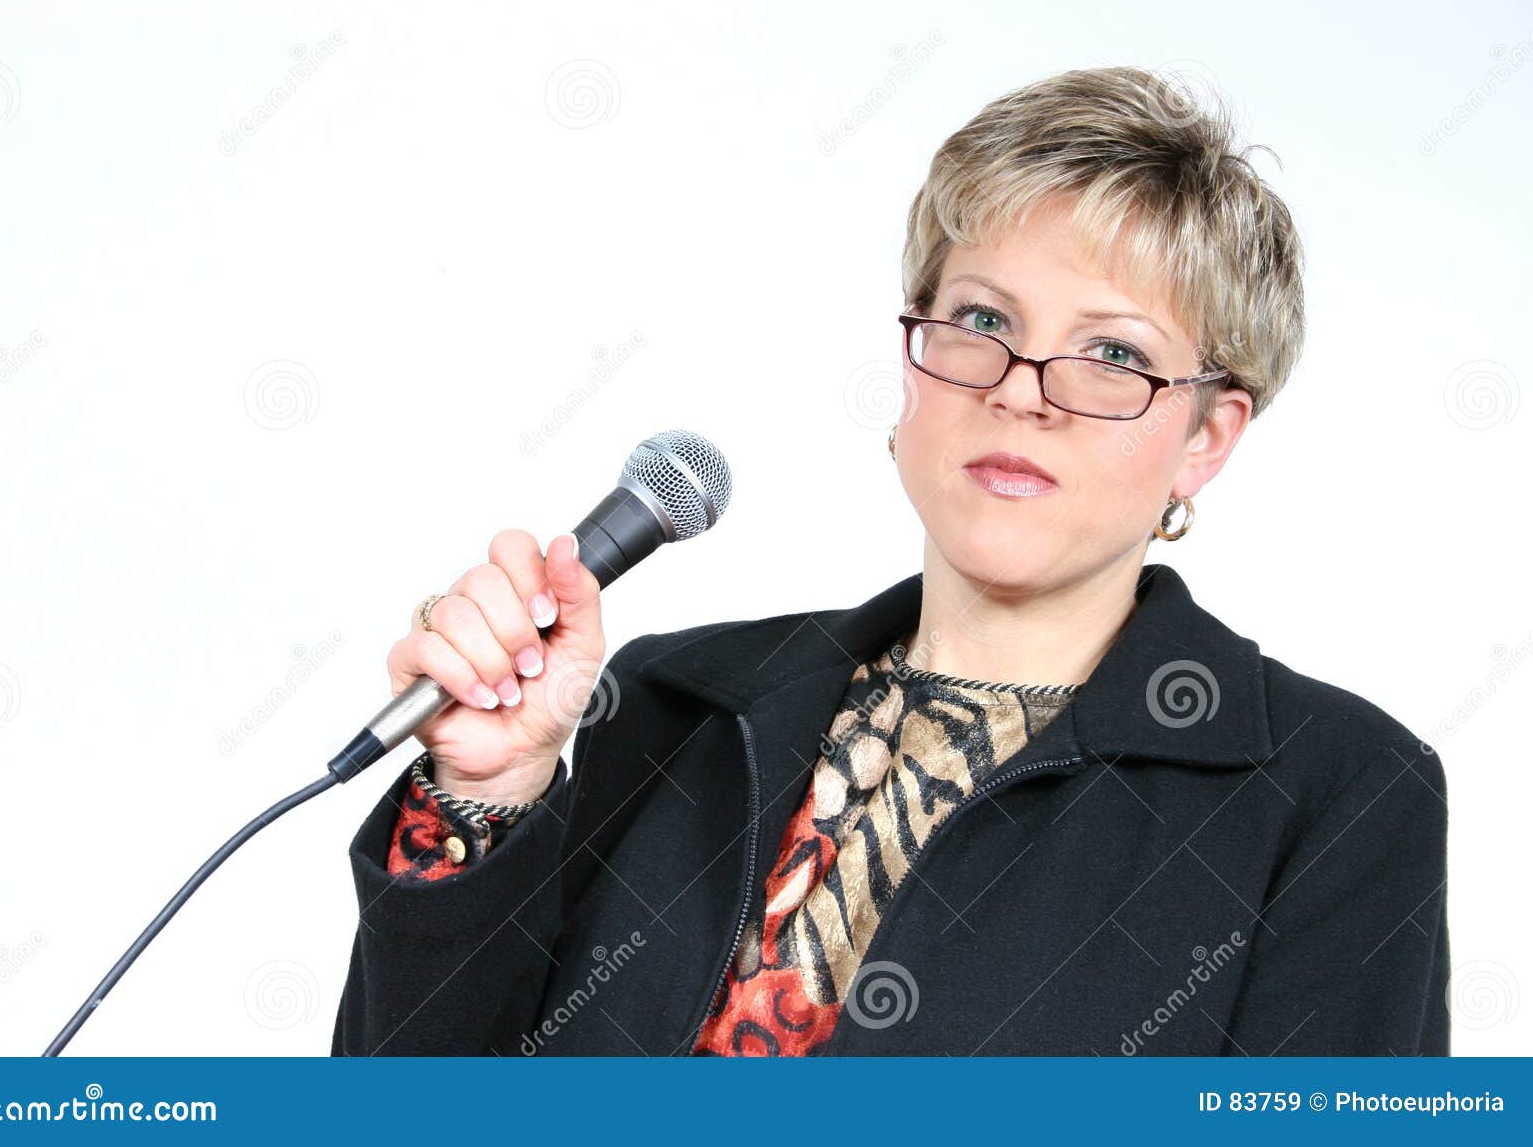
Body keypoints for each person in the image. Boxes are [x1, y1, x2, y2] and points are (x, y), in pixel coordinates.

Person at [331, 66, 1449, 1057]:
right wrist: (484, 795)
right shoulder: (668, 706)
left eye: (1112, 352)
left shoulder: (1336, 793)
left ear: (1203, 436)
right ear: (913, 362)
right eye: (981, 318)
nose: (1020, 387)